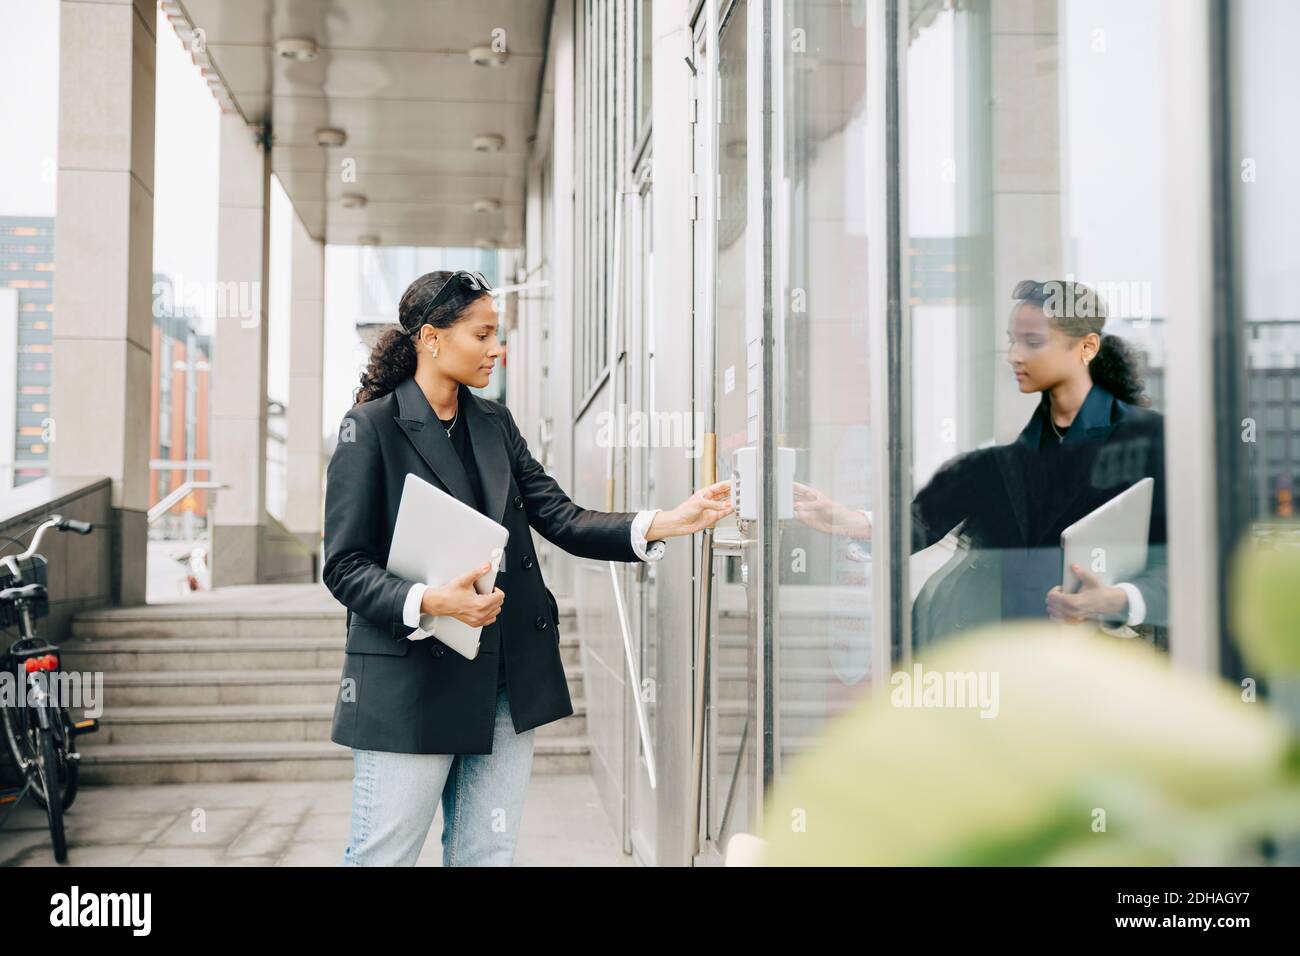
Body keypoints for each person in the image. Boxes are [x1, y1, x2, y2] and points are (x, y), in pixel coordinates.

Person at [323, 269, 732, 866]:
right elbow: (344, 565)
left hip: (504, 675)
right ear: (431, 338)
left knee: (487, 853)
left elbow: (562, 518)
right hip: (410, 682)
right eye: (482, 334)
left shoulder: (495, 423)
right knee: (383, 856)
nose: (497, 348)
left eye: (499, 333)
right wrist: (431, 601)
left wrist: (667, 521)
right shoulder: (370, 427)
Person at [793, 279, 1168, 648]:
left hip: (1093, 659)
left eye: (1032, 342)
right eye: (1012, 341)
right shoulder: (1019, 448)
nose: (1014, 355)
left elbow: (1181, 558)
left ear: (1086, 347)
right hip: (997, 648)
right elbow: (928, 519)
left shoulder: (1150, 439)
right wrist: (851, 521)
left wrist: (1121, 600)